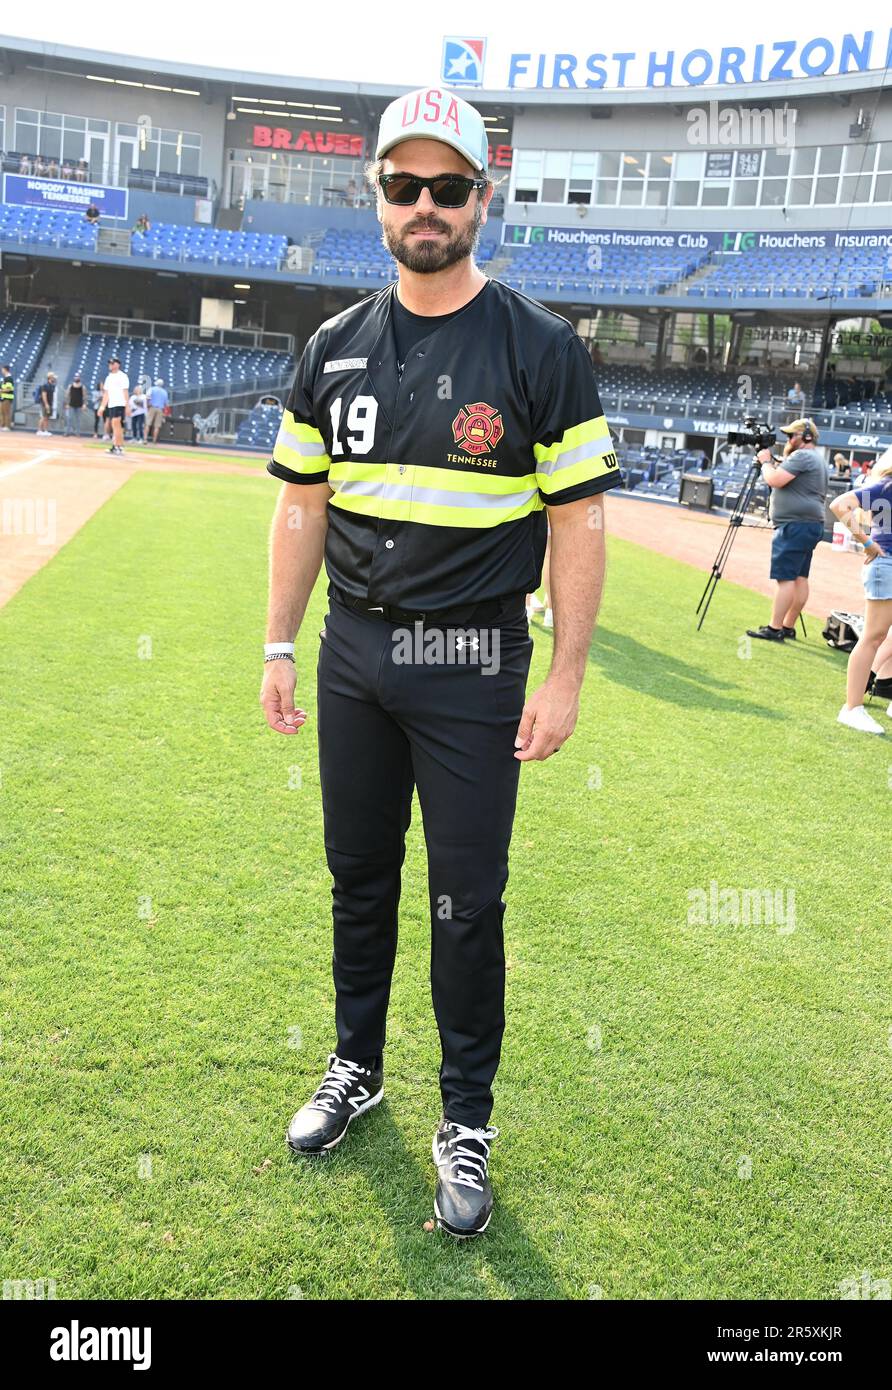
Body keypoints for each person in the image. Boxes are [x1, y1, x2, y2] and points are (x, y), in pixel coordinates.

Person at [261, 86, 621, 1239]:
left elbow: (578, 524)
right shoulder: (332, 347)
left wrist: (563, 674)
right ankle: (355, 1067)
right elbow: (301, 509)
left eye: (448, 187)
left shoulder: (541, 347)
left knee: (466, 903)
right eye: (403, 185)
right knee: (357, 879)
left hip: (472, 659)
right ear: (375, 200)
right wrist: (280, 639)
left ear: (481, 199)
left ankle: (465, 1119)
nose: (426, 205)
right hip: (353, 652)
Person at [746, 419, 829, 643]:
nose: (789, 440)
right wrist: (775, 460)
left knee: (785, 579)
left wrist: (765, 462)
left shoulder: (802, 456)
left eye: (793, 436)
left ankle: (774, 629)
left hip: (795, 525)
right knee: (800, 577)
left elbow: (774, 479)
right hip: (810, 525)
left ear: (807, 437)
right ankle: (788, 626)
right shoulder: (817, 459)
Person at [830, 450, 892, 734]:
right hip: (886, 563)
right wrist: (866, 542)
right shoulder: (887, 486)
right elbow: (840, 505)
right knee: (873, 636)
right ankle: (852, 708)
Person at [97, 357, 130, 456]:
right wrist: (102, 407)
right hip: (112, 404)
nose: (110, 365)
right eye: (110, 363)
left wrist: (127, 406)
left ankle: (118, 446)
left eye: (112, 363)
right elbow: (106, 393)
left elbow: (125, 391)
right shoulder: (109, 377)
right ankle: (118, 446)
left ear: (117, 365)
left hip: (119, 403)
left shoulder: (123, 376)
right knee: (115, 425)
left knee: (116, 424)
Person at [36, 371, 56, 435]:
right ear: (50, 377)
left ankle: (45, 430)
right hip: (45, 403)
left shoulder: (52, 386)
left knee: (47, 417)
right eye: (53, 377)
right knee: (44, 417)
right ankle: (39, 430)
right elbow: (44, 395)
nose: (54, 378)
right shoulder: (45, 385)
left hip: (50, 403)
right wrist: (46, 404)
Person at [0, 364, 15, 430]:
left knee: (6, 412)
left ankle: (7, 426)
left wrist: (1, 391)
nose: (1, 370)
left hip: (7, 398)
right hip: (3, 398)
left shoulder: (9, 378)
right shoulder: (5, 378)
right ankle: (2, 425)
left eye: (2, 369)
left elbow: (9, 389)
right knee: (2, 412)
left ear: (5, 369)